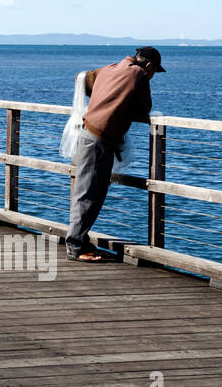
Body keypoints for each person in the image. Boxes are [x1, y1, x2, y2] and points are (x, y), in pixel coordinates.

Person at [66, 46, 165, 262]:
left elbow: (80, 78)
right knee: (89, 194)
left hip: (88, 133)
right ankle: (75, 246)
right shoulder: (138, 74)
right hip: (99, 140)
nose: (152, 76)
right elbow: (143, 109)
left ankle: (79, 241)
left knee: (87, 191)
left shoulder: (110, 68)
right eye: (153, 72)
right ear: (148, 66)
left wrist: (106, 95)